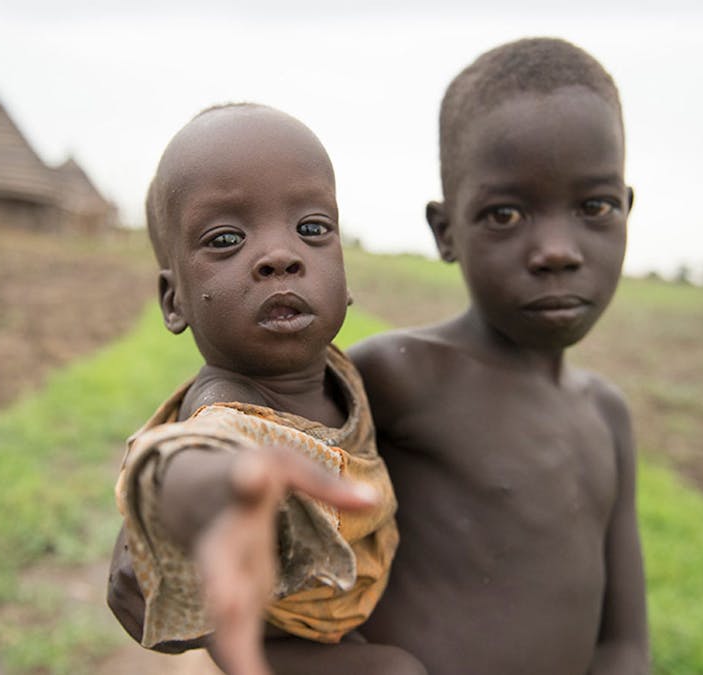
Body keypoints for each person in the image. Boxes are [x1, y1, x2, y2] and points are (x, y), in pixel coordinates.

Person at [110, 36, 648, 674]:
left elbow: (623, 641)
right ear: (445, 231)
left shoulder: (608, 416)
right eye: (505, 214)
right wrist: (172, 522)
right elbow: (227, 432)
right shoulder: (396, 377)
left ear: (627, 211)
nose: (556, 250)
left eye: (594, 206)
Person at [109, 102, 423, 675]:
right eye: (226, 238)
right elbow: (184, 460)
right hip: (269, 642)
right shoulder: (228, 413)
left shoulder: (346, 375)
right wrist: (224, 487)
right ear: (174, 300)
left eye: (312, 229)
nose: (280, 256)